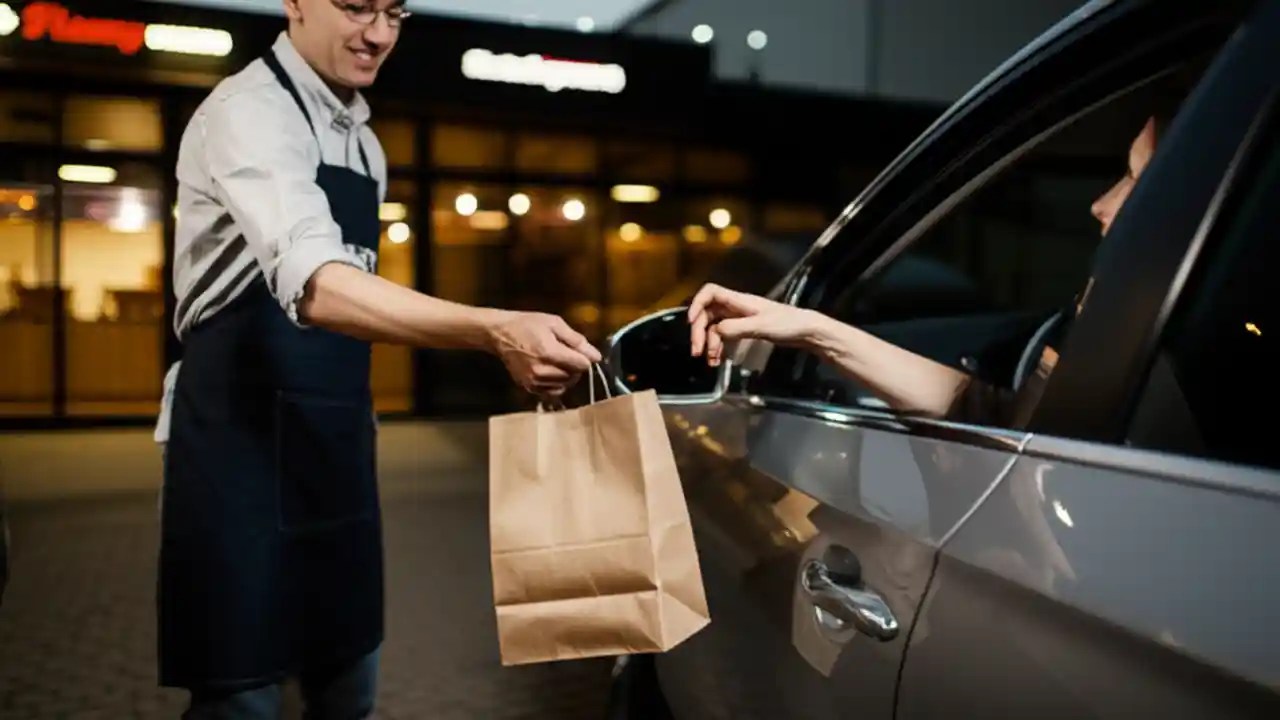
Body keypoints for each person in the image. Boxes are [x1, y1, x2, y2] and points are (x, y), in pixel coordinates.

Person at [156, 1, 600, 717]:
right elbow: (319, 285)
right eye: (356, 6)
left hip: (335, 457)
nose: (380, 34)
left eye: (395, 12)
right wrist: (492, 329)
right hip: (235, 453)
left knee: (349, 687)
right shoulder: (248, 111)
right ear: (294, 3)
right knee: (243, 700)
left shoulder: (366, 145)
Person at [688, 103, 1176, 422]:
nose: (1101, 204)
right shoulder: (1146, 343)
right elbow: (994, 416)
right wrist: (811, 328)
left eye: (1134, 178)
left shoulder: (1175, 360)